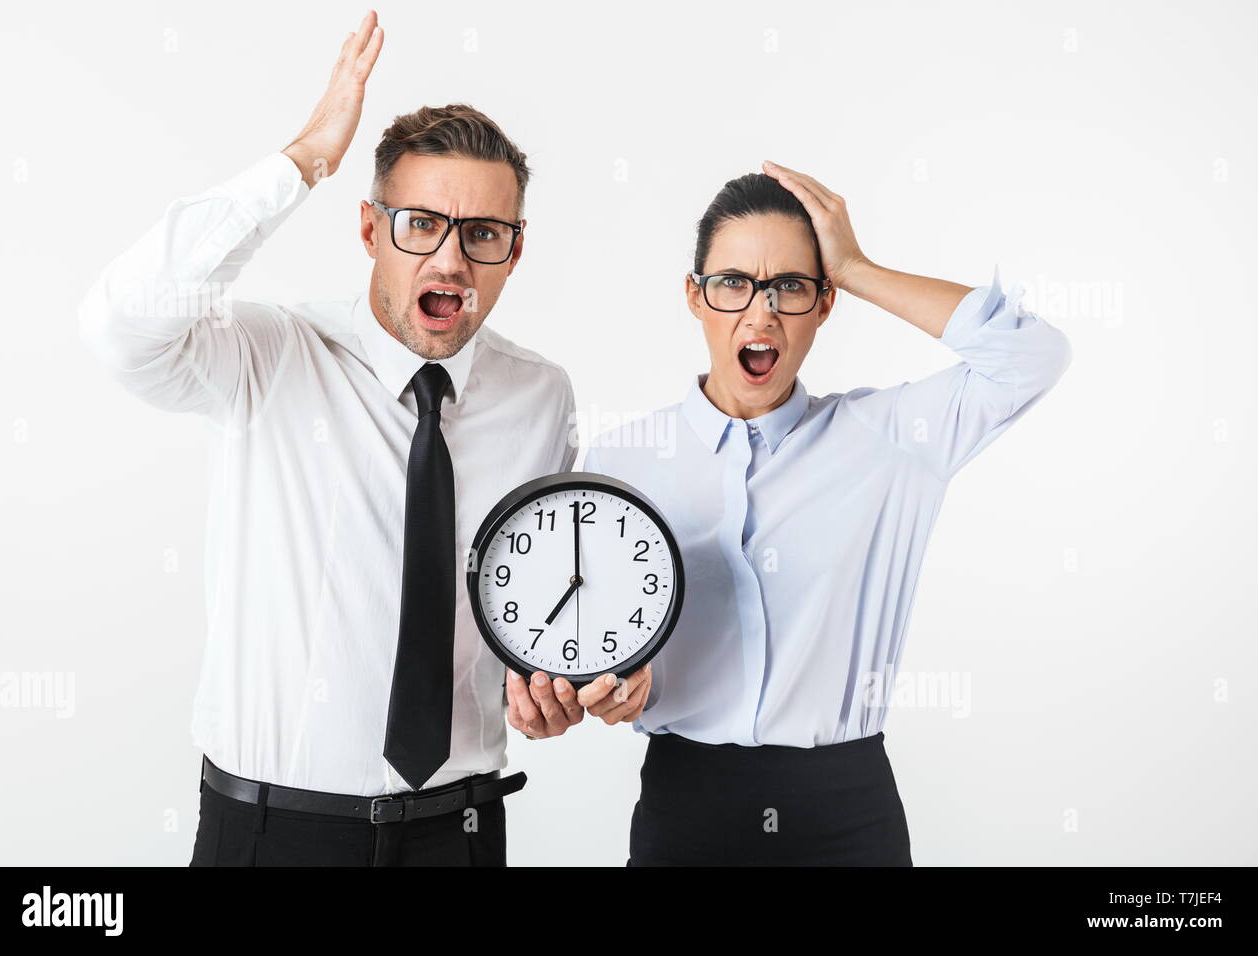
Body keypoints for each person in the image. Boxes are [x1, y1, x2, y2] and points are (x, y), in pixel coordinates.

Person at [79, 11, 600, 867]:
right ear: (369, 230)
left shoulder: (542, 397)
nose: (451, 260)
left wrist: (549, 687)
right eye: (420, 224)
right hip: (275, 833)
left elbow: (537, 611)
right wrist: (306, 157)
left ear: (514, 252)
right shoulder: (270, 356)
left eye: (483, 234)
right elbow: (119, 325)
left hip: (461, 831)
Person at [580, 161, 1073, 866]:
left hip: (847, 816)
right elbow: (592, 637)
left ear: (823, 303)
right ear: (695, 297)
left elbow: (1033, 355)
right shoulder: (622, 458)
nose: (762, 312)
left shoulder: (891, 438)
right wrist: (614, 684)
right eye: (733, 284)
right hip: (684, 808)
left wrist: (857, 267)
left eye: (790, 286)